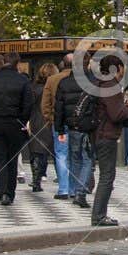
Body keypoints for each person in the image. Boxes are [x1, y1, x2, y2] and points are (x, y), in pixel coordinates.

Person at [89, 57, 128, 227]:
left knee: (106, 175)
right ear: (117, 67)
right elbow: (116, 115)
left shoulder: (98, 83)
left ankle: (99, 215)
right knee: (107, 176)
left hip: (97, 133)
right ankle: (98, 216)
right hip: (106, 135)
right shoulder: (110, 86)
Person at [0, 52, 35, 206]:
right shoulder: (22, 80)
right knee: (12, 159)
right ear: (17, 63)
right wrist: (22, 121)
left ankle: (1, 189)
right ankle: (8, 193)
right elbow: (28, 104)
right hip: (15, 123)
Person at [56, 56, 97, 210]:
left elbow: (58, 108)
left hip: (72, 126)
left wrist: (59, 128)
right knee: (87, 159)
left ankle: (74, 190)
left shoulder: (64, 82)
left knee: (75, 158)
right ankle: (80, 191)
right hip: (88, 126)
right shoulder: (93, 82)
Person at [43, 53, 74, 199]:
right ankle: (75, 189)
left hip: (59, 123)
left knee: (61, 155)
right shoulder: (82, 80)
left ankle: (63, 189)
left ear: (63, 64)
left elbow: (45, 104)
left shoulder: (52, 79)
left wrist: (51, 119)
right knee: (76, 156)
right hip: (77, 124)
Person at [28, 62, 58, 192]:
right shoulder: (56, 88)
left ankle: (36, 180)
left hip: (35, 120)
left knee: (36, 151)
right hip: (51, 120)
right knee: (56, 152)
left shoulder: (33, 88)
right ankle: (61, 179)